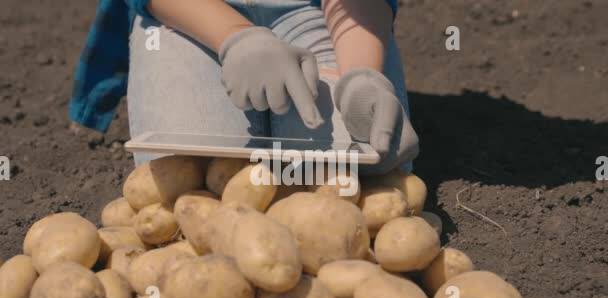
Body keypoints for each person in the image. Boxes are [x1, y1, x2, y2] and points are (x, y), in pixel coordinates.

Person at [69, 0, 419, 175]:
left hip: (313, 9)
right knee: (191, 178)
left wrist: (360, 76)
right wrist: (237, 38)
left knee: (356, 166)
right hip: (187, 12)